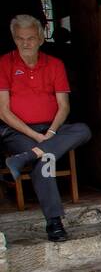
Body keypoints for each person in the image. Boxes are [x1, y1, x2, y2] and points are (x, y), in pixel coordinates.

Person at [0, 15, 92, 241]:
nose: (25, 43)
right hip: (18, 131)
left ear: (41, 38)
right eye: (20, 38)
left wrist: (49, 133)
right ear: (14, 38)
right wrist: (34, 136)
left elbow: (64, 106)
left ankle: (24, 158)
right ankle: (54, 222)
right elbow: (3, 111)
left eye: (31, 38)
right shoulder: (4, 63)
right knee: (45, 158)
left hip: (51, 128)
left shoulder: (55, 64)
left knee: (83, 130)